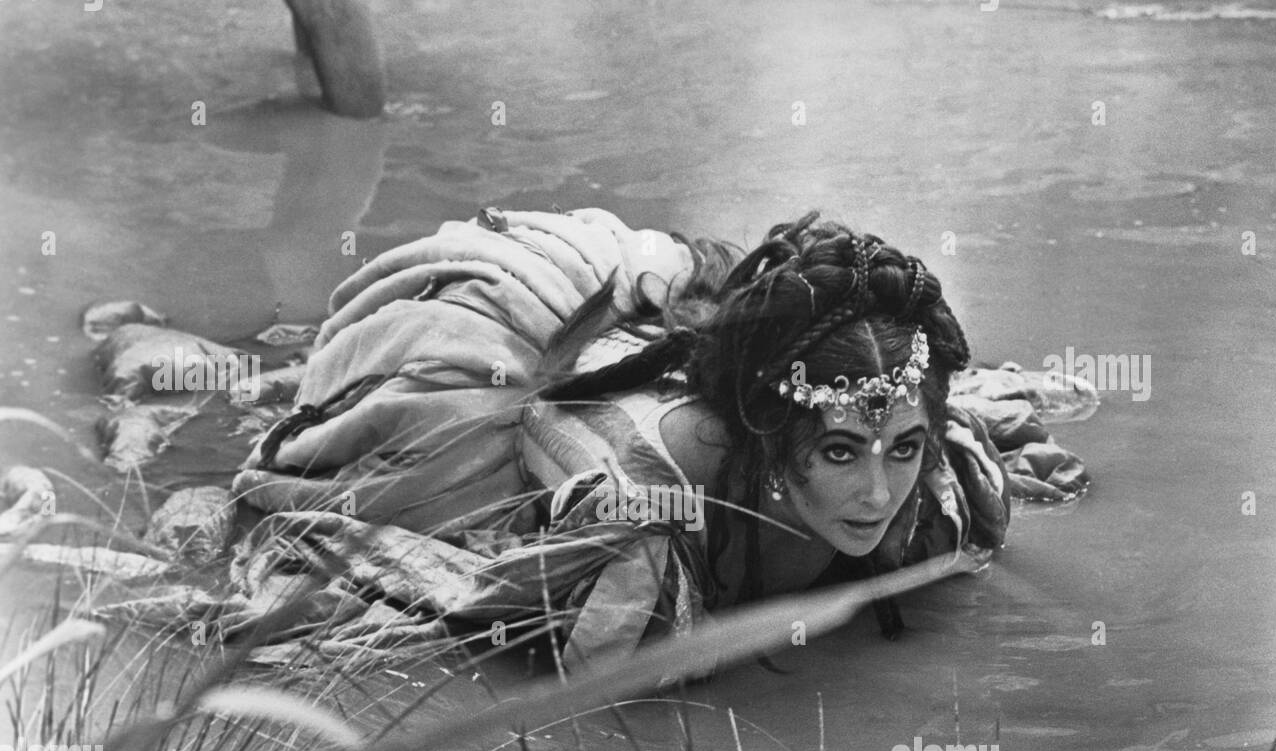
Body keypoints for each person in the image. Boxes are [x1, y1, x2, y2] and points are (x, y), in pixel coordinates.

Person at [221, 206, 1088, 670]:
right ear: (766, 434)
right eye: (837, 451)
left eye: (902, 446)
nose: (876, 492)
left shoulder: (932, 484)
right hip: (513, 367)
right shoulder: (647, 482)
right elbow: (601, 680)